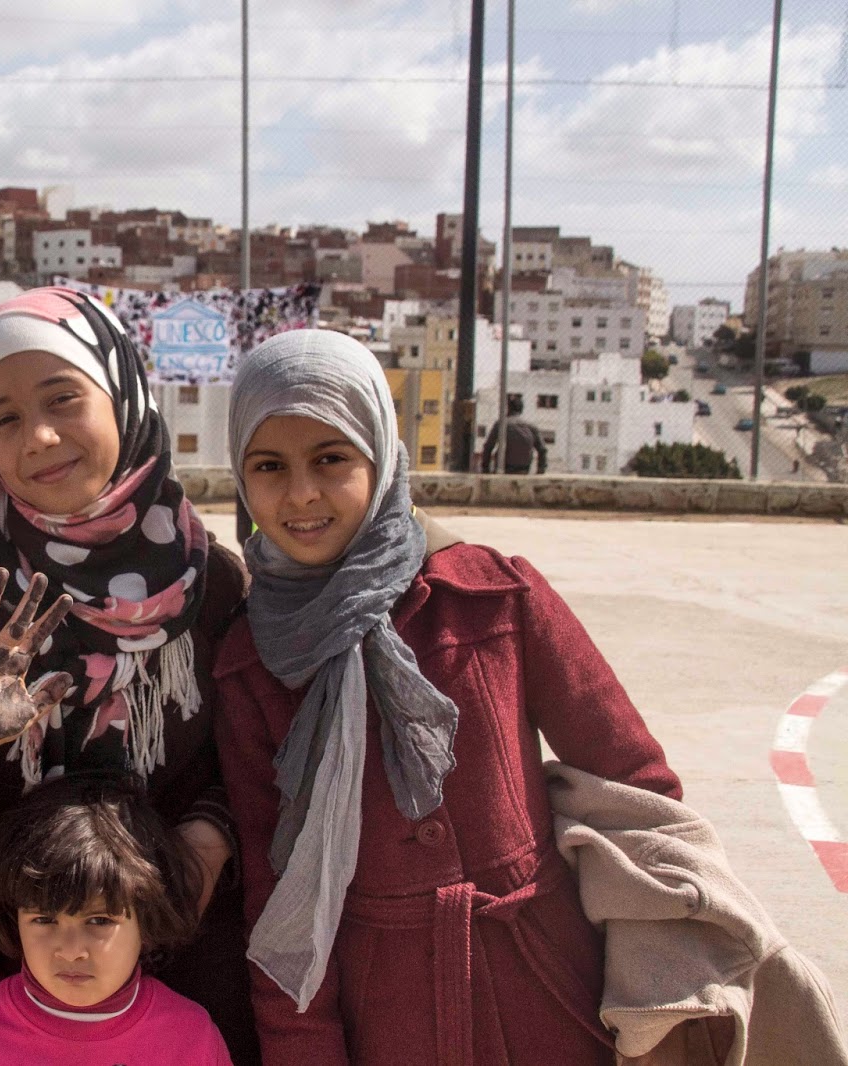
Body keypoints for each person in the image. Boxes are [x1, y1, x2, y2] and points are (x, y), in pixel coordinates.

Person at [213, 329, 681, 1064]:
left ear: (381, 451)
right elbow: (280, 898)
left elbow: (636, 787)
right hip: (383, 1016)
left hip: (554, 992)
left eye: (331, 458)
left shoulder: (493, 595)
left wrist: (655, 993)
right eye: (269, 466)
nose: (301, 493)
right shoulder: (250, 665)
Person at [0, 286, 259, 1063]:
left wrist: (205, 844)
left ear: (123, 395)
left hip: (189, 983)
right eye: (4, 418)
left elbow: (256, 762)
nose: (39, 436)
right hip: (21, 997)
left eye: (63, 398)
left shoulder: (209, 585)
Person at [0, 772, 232, 1066]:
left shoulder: (191, 1040)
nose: (70, 951)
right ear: (14, 920)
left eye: (99, 921)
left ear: (148, 920)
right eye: (44, 920)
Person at [479, 393, 548, 474]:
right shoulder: (531, 426)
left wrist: (485, 468)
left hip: (503, 468)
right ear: (521, 409)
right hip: (524, 469)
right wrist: (540, 470)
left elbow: (488, 446)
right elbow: (542, 449)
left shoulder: (501, 424)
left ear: (508, 409)